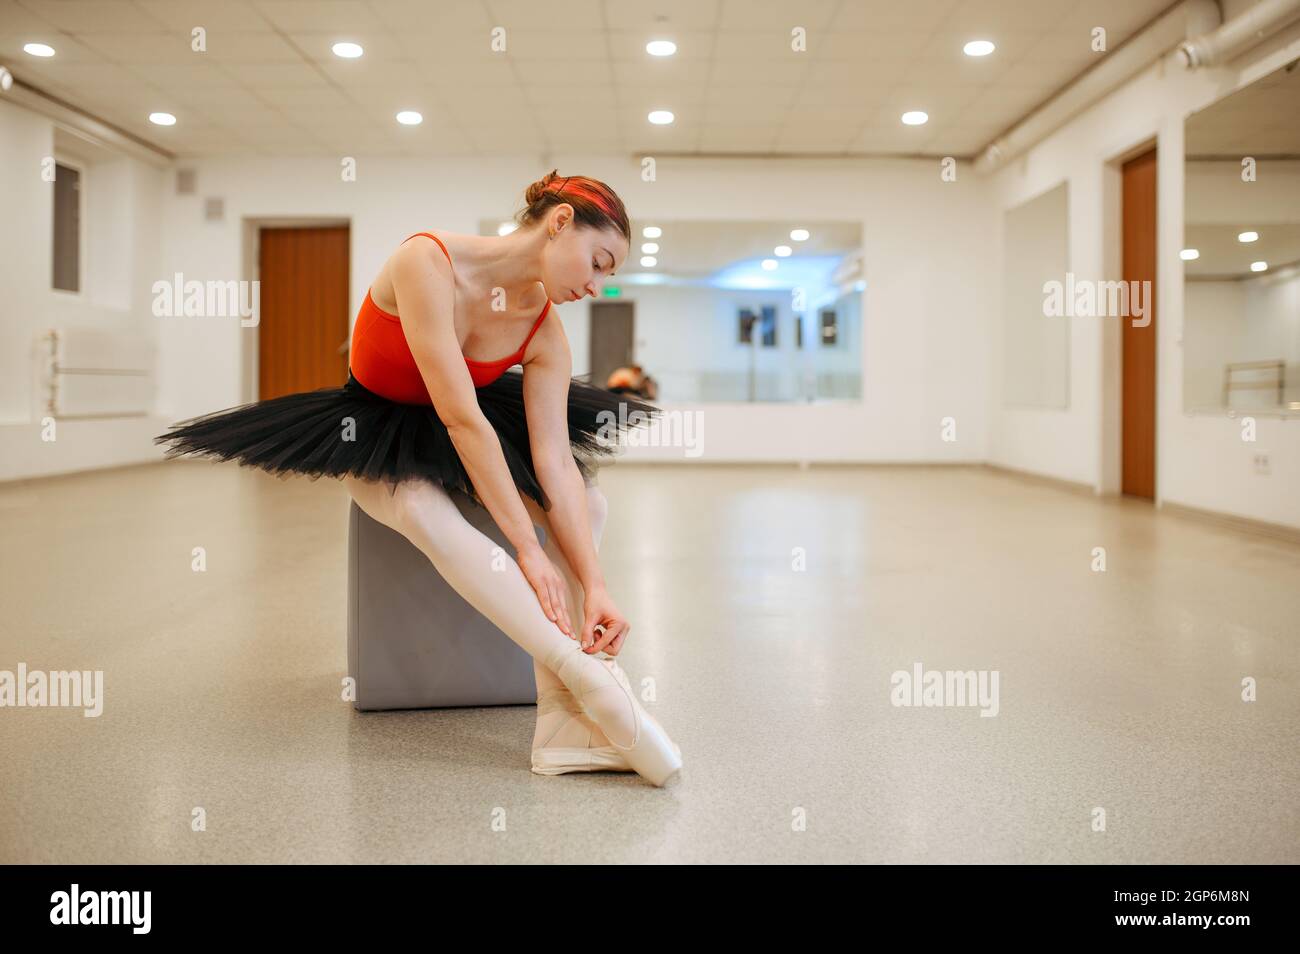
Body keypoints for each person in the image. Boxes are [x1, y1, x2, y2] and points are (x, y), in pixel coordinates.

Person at [154, 171, 682, 786]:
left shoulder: (545, 332)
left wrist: (596, 586)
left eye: (607, 275)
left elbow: (553, 460)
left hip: (477, 423)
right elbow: (460, 418)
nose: (596, 286)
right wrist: (524, 548)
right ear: (559, 223)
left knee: (587, 504)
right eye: (598, 263)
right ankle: (588, 677)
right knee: (422, 509)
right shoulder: (425, 261)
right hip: (382, 423)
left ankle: (562, 726)